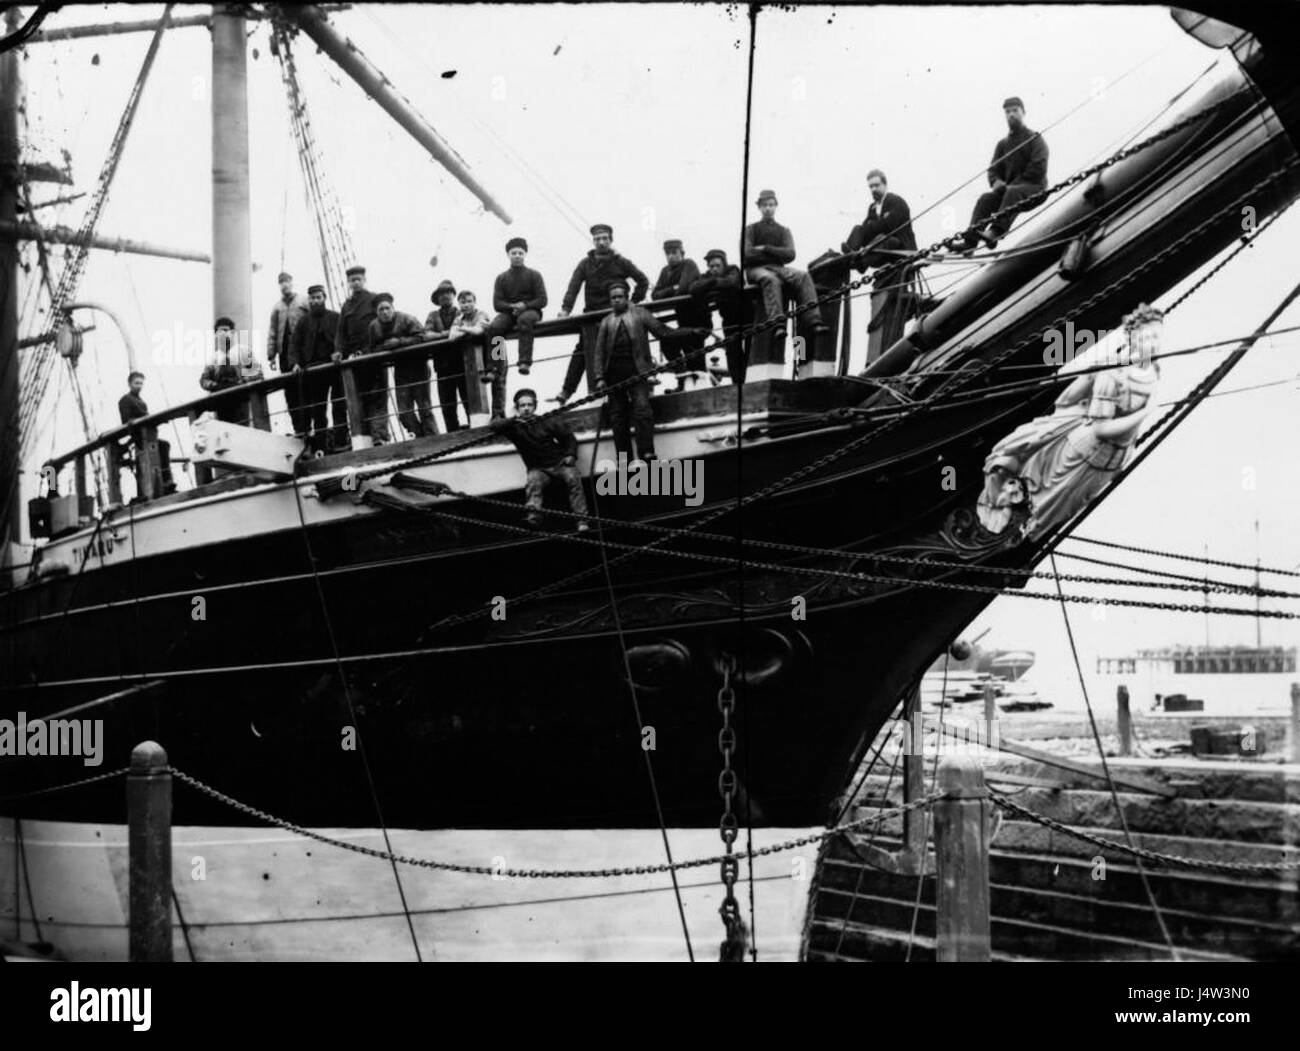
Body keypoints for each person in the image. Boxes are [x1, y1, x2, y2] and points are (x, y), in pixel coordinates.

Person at [981, 304, 1161, 540]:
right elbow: (1100, 428)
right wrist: (1145, 412)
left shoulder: (1153, 372)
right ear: (1133, 337)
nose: (1153, 343)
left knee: (1054, 512)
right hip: (1082, 452)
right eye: (1147, 336)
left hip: (1108, 464)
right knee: (1044, 500)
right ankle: (1006, 518)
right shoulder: (1114, 373)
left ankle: (1019, 530)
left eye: (1157, 336)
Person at [593, 279, 708, 461]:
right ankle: (624, 458)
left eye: (620, 297)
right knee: (617, 418)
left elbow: (663, 332)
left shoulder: (641, 314)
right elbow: (599, 351)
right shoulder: (606, 322)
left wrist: (691, 332)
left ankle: (646, 452)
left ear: (627, 297)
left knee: (642, 410)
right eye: (613, 298)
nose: (616, 300)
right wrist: (599, 377)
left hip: (637, 371)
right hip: (614, 375)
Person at [556, 223, 649, 405]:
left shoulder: (621, 262)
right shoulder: (585, 264)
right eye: (597, 239)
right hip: (592, 316)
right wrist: (566, 309)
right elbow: (573, 287)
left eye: (605, 238)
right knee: (583, 351)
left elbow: (643, 281)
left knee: (624, 348)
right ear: (593, 241)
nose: (601, 242)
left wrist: (633, 302)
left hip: (617, 315)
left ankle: (636, 387)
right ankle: (567, 390)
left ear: (611, 240)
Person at [490, 387, 590, 531]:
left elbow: (569, 438)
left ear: (535, 406)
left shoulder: (546, 420)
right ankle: (534, 517)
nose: (526, 408)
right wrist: (513, 419)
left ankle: (582, 520)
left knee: (573, 478)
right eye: (522, 405)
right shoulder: (514, 428)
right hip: (538, 469)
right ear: (517, 408)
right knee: (533, 482)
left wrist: (570, 455)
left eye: (529, 405)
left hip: (559, 464)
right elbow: (494, 425)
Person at [962, 97, 1049, 250]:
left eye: (1015, 110)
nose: (1011, 115)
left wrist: (1011, 185)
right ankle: (970, 242)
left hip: (1035, 188)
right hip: (1010, 193)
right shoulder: (1003, 145)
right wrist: (996, 182)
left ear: (1023, 112)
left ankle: (995, 232)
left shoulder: (1035, 139)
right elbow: (993, 170)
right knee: (985, 199)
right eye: (1008, 112)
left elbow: (1038, 167)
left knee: (1012, 191)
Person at [743, 189, 828, 333]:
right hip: (755, 269)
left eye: (771, 205)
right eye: (764, 205)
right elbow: (747, 254)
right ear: (759, 207)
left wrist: (765, 248)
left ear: (775, 206)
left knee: (803, 276)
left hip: (778, 268)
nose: (768, 208)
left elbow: (790, 254)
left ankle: (814, 321)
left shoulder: (783, 231)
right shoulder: (750, 229)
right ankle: (777, 324)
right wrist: (777, 253)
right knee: (770, 279)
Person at [335, 265, 389, 444]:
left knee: (378, 398)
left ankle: (380, 437)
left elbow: (383, 325)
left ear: (364, 280)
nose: (355, 283)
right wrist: (338, 351)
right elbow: (341, 332)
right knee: (360, 399)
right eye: (352, 280)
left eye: (358, 279)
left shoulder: (374, 300)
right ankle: (365, 439)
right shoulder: (347, 306)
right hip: (355, 361)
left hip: (373, 356)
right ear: (348, 283)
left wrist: (369, 350)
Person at [486, 237, 547, 390]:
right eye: (514, 253)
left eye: (520, 253)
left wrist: (525, 306)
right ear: (508, 255)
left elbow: (542, 299)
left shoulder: (534, 275)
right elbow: (497, 303)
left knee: (524, 321)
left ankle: (524, 361)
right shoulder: (501, 278)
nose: (517, 256)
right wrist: (511, 306)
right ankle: (494, 366)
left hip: (531, 311)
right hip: (510, 312)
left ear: (525, 254)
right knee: (495, 328)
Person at [369, 293, 432, 440]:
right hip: (401, 370)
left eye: (387, 308)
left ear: (393, 308)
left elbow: (422, 337)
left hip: (418, 366)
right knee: (404, 412)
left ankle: (432, 436)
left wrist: (399, 342)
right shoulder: (374, 327)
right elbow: (372, 348)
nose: (385, 312)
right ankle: (420, 436)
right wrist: (385, 348)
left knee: (425, 408)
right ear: (376, 312)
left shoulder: (407, 319)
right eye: (381, 310)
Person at [286, 284, 340, 449]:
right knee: (318, 410)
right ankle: (320, 446)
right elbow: (294, 344)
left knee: (339, 406)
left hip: (335, 369)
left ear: (324, 298)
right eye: (312, 298)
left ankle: (341, 441)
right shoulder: (303, 322)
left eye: (318, 297)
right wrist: (295, 363)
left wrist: (339, 352)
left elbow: (343, 338)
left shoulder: (335, 318)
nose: (315, 301)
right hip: (314, 371)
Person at [651, 238, 710, 386]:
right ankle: (683, 376)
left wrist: (671, 291)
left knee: (695, 355)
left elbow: (684, 288)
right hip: (683, 321)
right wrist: (673, 288)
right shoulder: (665, 271)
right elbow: (655, 295)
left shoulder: (689, 264)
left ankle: (695, 383)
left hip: (699, 320)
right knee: (668, 342)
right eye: (668, 253)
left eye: (674, 252)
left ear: (681, 253)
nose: (670, 256)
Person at [690, 249, 747, 382]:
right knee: (732, 352)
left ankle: (752, 380)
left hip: (747, 315)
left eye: (717, 266)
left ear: (724, 264)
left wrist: (711, 282)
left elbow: (731, 282)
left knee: (750, 351)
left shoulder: (733, 269)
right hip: (729, 319)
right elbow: (693, 288)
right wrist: (714, 281)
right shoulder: (708, 276)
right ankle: (737, 383)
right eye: (711, 266)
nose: (714, 269)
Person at [844, 170, 917, 271]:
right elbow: (865, 228)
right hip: (881, 251)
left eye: (876, 185)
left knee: (883, 237)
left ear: (885, 184)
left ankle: (861, 263)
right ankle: (849, 256)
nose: (873, 189)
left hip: (900, 250)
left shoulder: (895, 201)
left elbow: (888, 227)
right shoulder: (873, 207)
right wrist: (869, 228)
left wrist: (871, 226)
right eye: (871, 187)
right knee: (858, 229)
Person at [118, 370, 175, 494]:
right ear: (129, 384)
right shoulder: (125, 400)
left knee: (164, 445)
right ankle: (164, 482)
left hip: (149, 434)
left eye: (141, 383)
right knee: (162, 446)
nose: (139, 386)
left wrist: (159, 419)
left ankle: (165, 481)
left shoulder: (140, 400)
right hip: (140, 436)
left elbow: (145, 415)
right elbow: (126, 420)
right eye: (136, 383)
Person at [201, 316, 262, 424]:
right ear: (215, 334)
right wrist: (214, 386)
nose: (223, 334)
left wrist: (243, 381)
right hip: (221, 401)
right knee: (225, 429)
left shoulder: (243, 351)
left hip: (241, 398)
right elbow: (204, 380)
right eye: (220, 331)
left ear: (233, 333)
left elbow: (258, 373)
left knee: (243, 426)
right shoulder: (213, 359)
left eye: (226, 330)